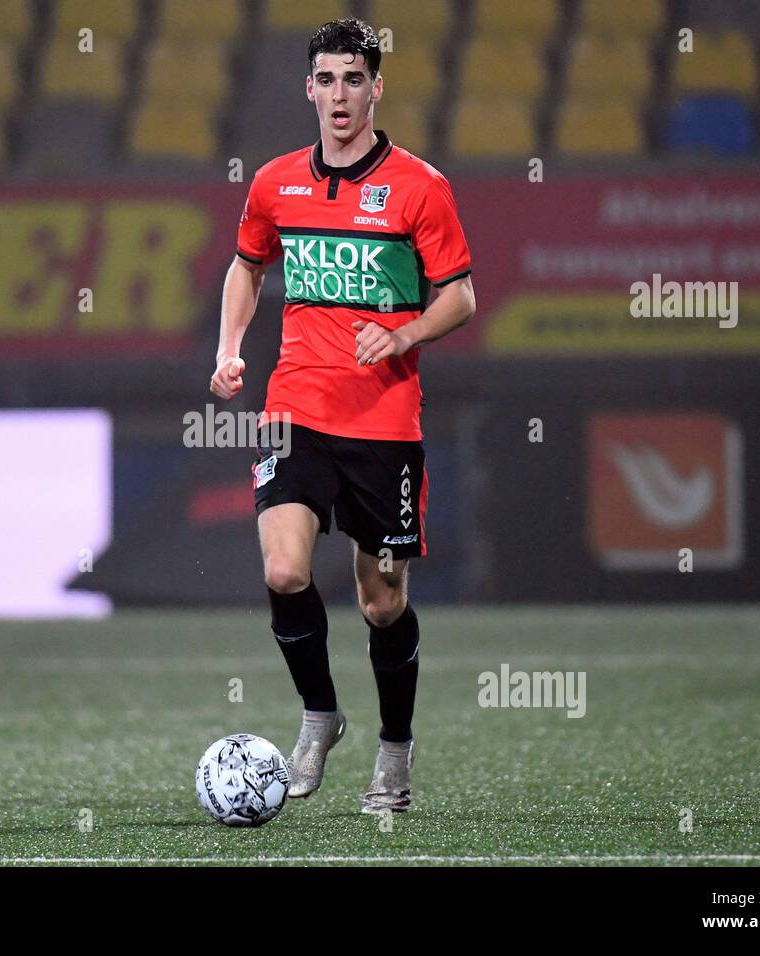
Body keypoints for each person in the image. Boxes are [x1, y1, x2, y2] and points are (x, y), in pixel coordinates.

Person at [209, 17, 476, 813]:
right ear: (308, 87)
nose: (338, 95)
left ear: (376, 87)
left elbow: (460, 296)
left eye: (353, 79)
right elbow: (247, 265)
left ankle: (395, 750)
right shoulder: (275, 182)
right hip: (295, 406)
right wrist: (229, 348)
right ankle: (320, 715)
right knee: (285, 571)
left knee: (381, 600)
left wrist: (402, 332)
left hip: (385, 424)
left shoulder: (421, 187)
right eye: (325, 79)